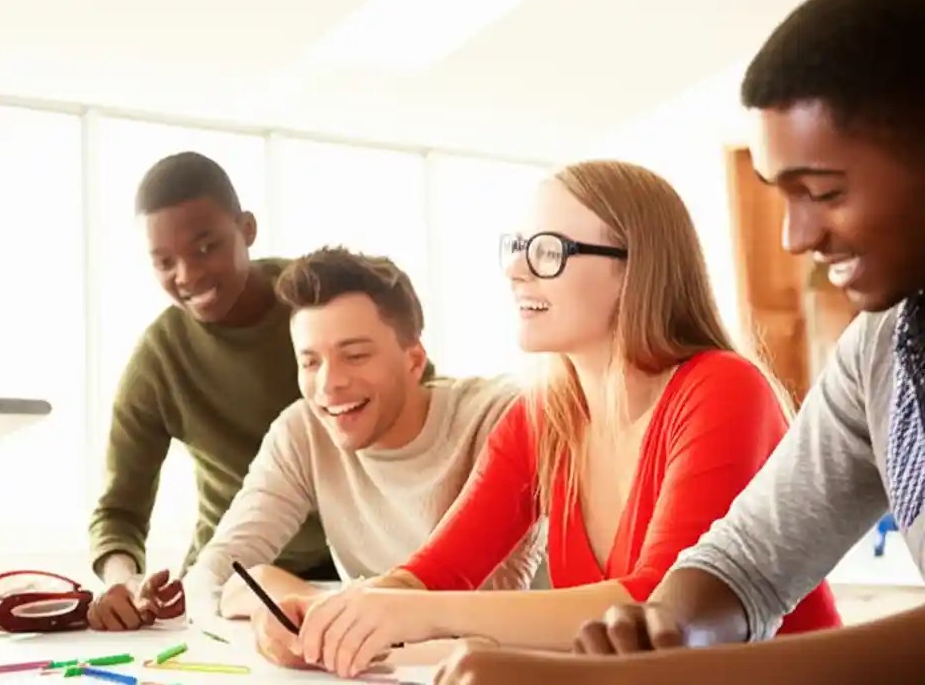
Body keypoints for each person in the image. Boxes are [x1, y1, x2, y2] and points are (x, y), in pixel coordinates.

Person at [442, 0, 925, 684]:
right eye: (782, 195)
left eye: (824, 192)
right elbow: (748, 560)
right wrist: (667, 629)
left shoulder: (719, 386)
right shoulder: (877, 351)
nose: (794, 237)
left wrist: (622, 679)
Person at [260, 159, 842, 680]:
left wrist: (413, 611)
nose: (516, 270)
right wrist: (333, 617)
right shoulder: (542, 416)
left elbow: (662, 612)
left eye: (547, 251)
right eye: (517, 247)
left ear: (633, 270)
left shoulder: (721, 388)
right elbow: (438, 572)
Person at [181, 246, 544, 652]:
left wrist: (324, 611)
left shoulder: (498, 419)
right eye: (310, 362)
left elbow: (482, 617)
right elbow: (211, 579)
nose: (329, 384)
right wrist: (304, 610)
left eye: (355, 356)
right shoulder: (304, 433)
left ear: (414, 361)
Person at [85, 152, 335, 631]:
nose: (187, 274)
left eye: (205, 248)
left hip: (349, 569)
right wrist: (123, 579)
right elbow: (119, 510)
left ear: (247, 229)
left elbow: (416, 405)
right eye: (164, 262)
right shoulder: (160, 358)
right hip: (227, 581)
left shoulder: (319, 298)